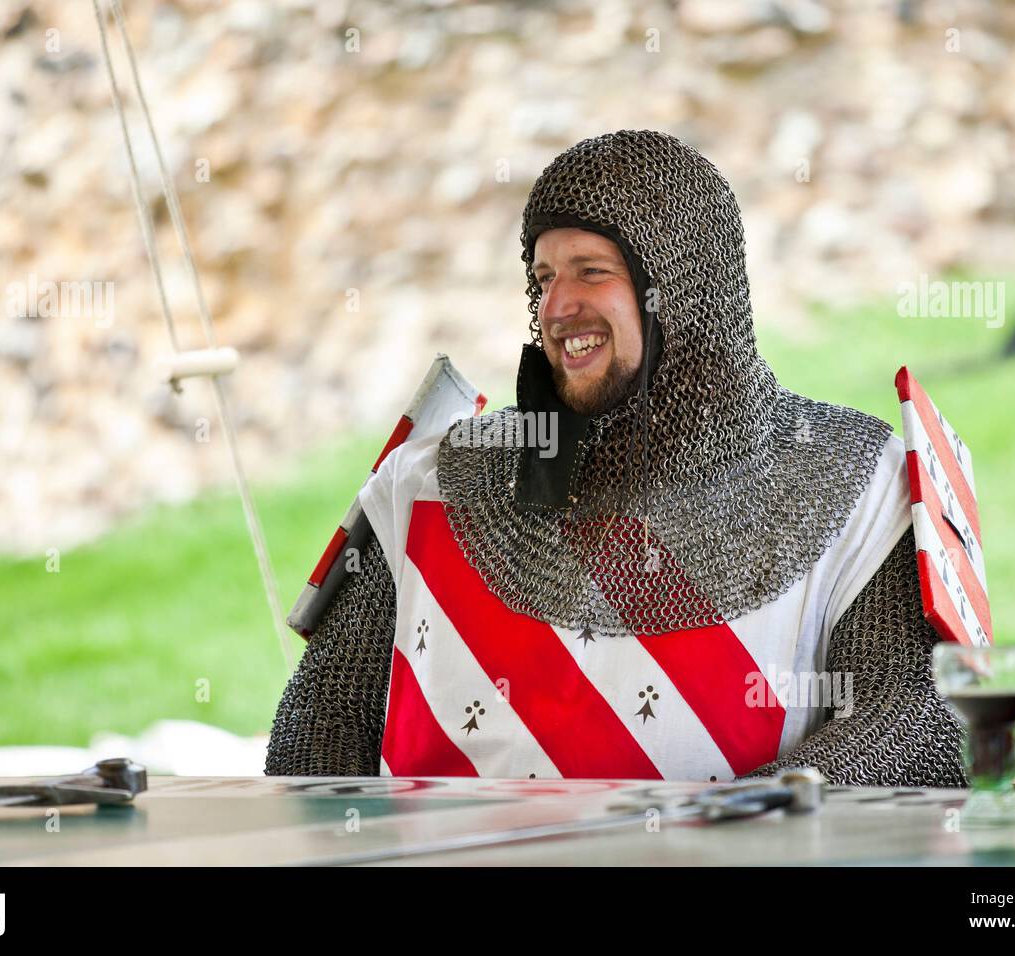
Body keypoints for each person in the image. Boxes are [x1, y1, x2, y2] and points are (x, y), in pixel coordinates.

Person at [265, 129, 967, 787]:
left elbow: (902, 723)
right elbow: (325, 727)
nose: (556, 305)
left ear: (684, 293)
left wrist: (742, 825)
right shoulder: (425, 487)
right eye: (542, 279)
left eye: (591, 272)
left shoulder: (853, 482)